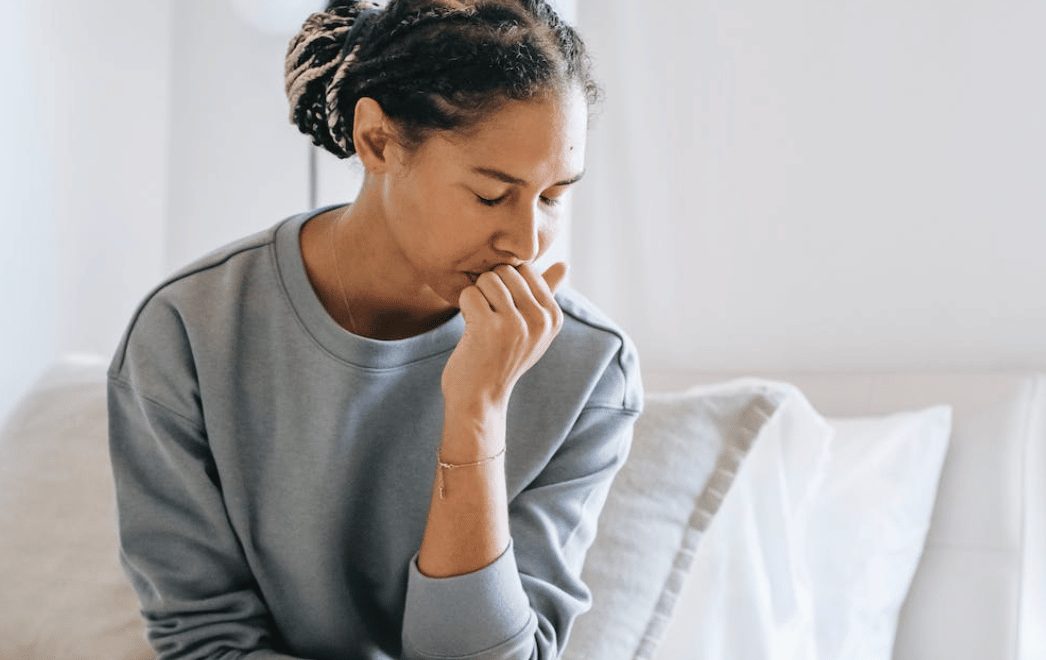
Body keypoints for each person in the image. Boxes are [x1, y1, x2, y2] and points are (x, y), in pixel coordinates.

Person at [106, 1, 644, 658]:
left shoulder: (588, 367)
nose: (526, 240)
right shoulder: (191, 332)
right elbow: (206, 639)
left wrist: (476, 414)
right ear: (378, 141)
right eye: (491, 194)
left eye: (554, 196)